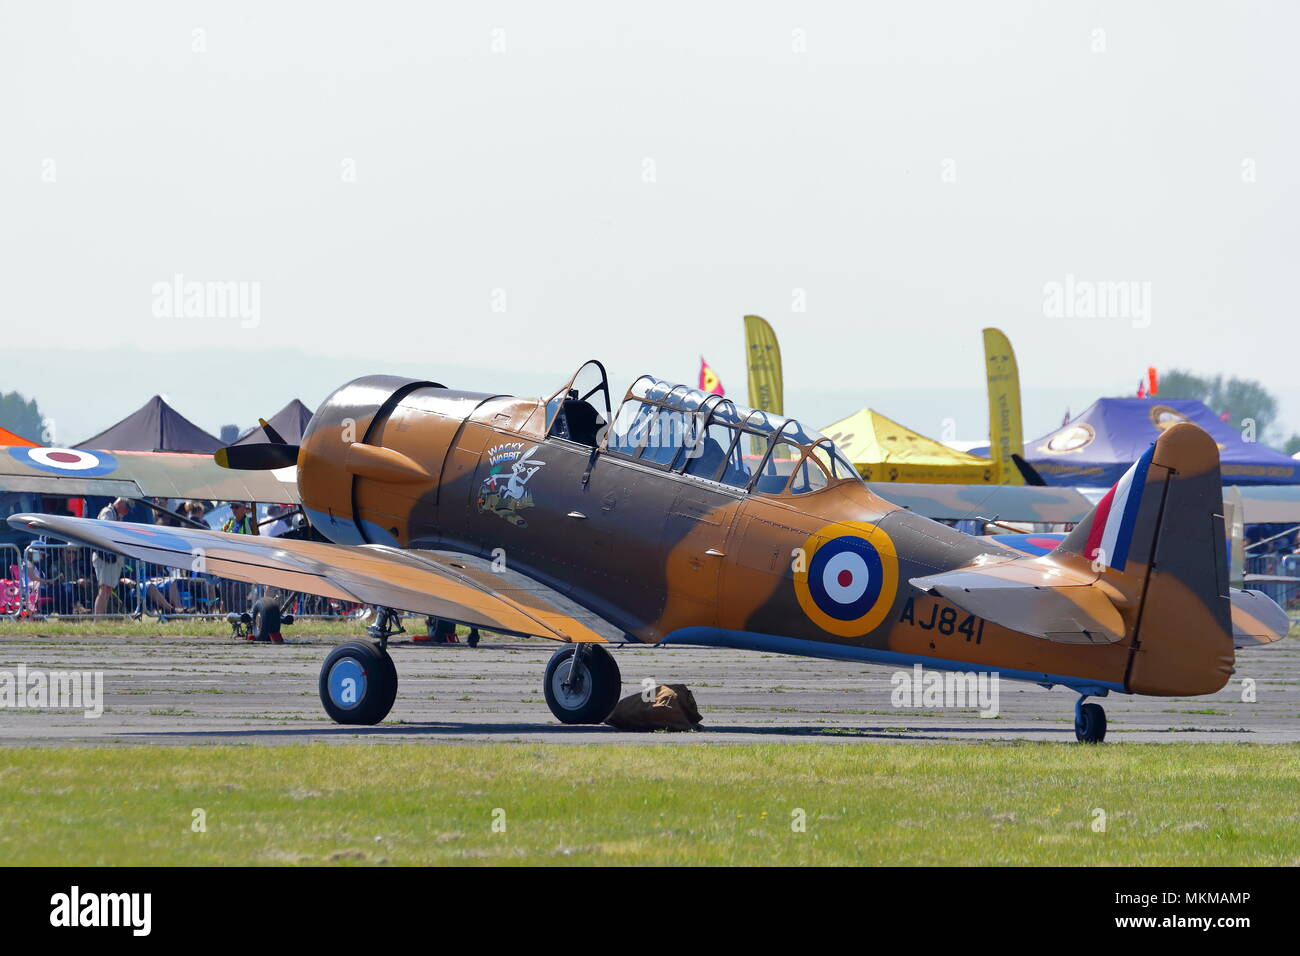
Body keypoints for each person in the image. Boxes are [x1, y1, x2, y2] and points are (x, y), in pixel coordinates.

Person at [92, 498, 129, 616]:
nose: (127, 511)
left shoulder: (117, 516)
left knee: (107, 590)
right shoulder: (107, 512)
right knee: (104, 590)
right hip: (104, 557)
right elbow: (105, 529)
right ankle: (97, 619)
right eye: (126, 506)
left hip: (111, 557)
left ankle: (100, 617)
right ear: (120, 503)